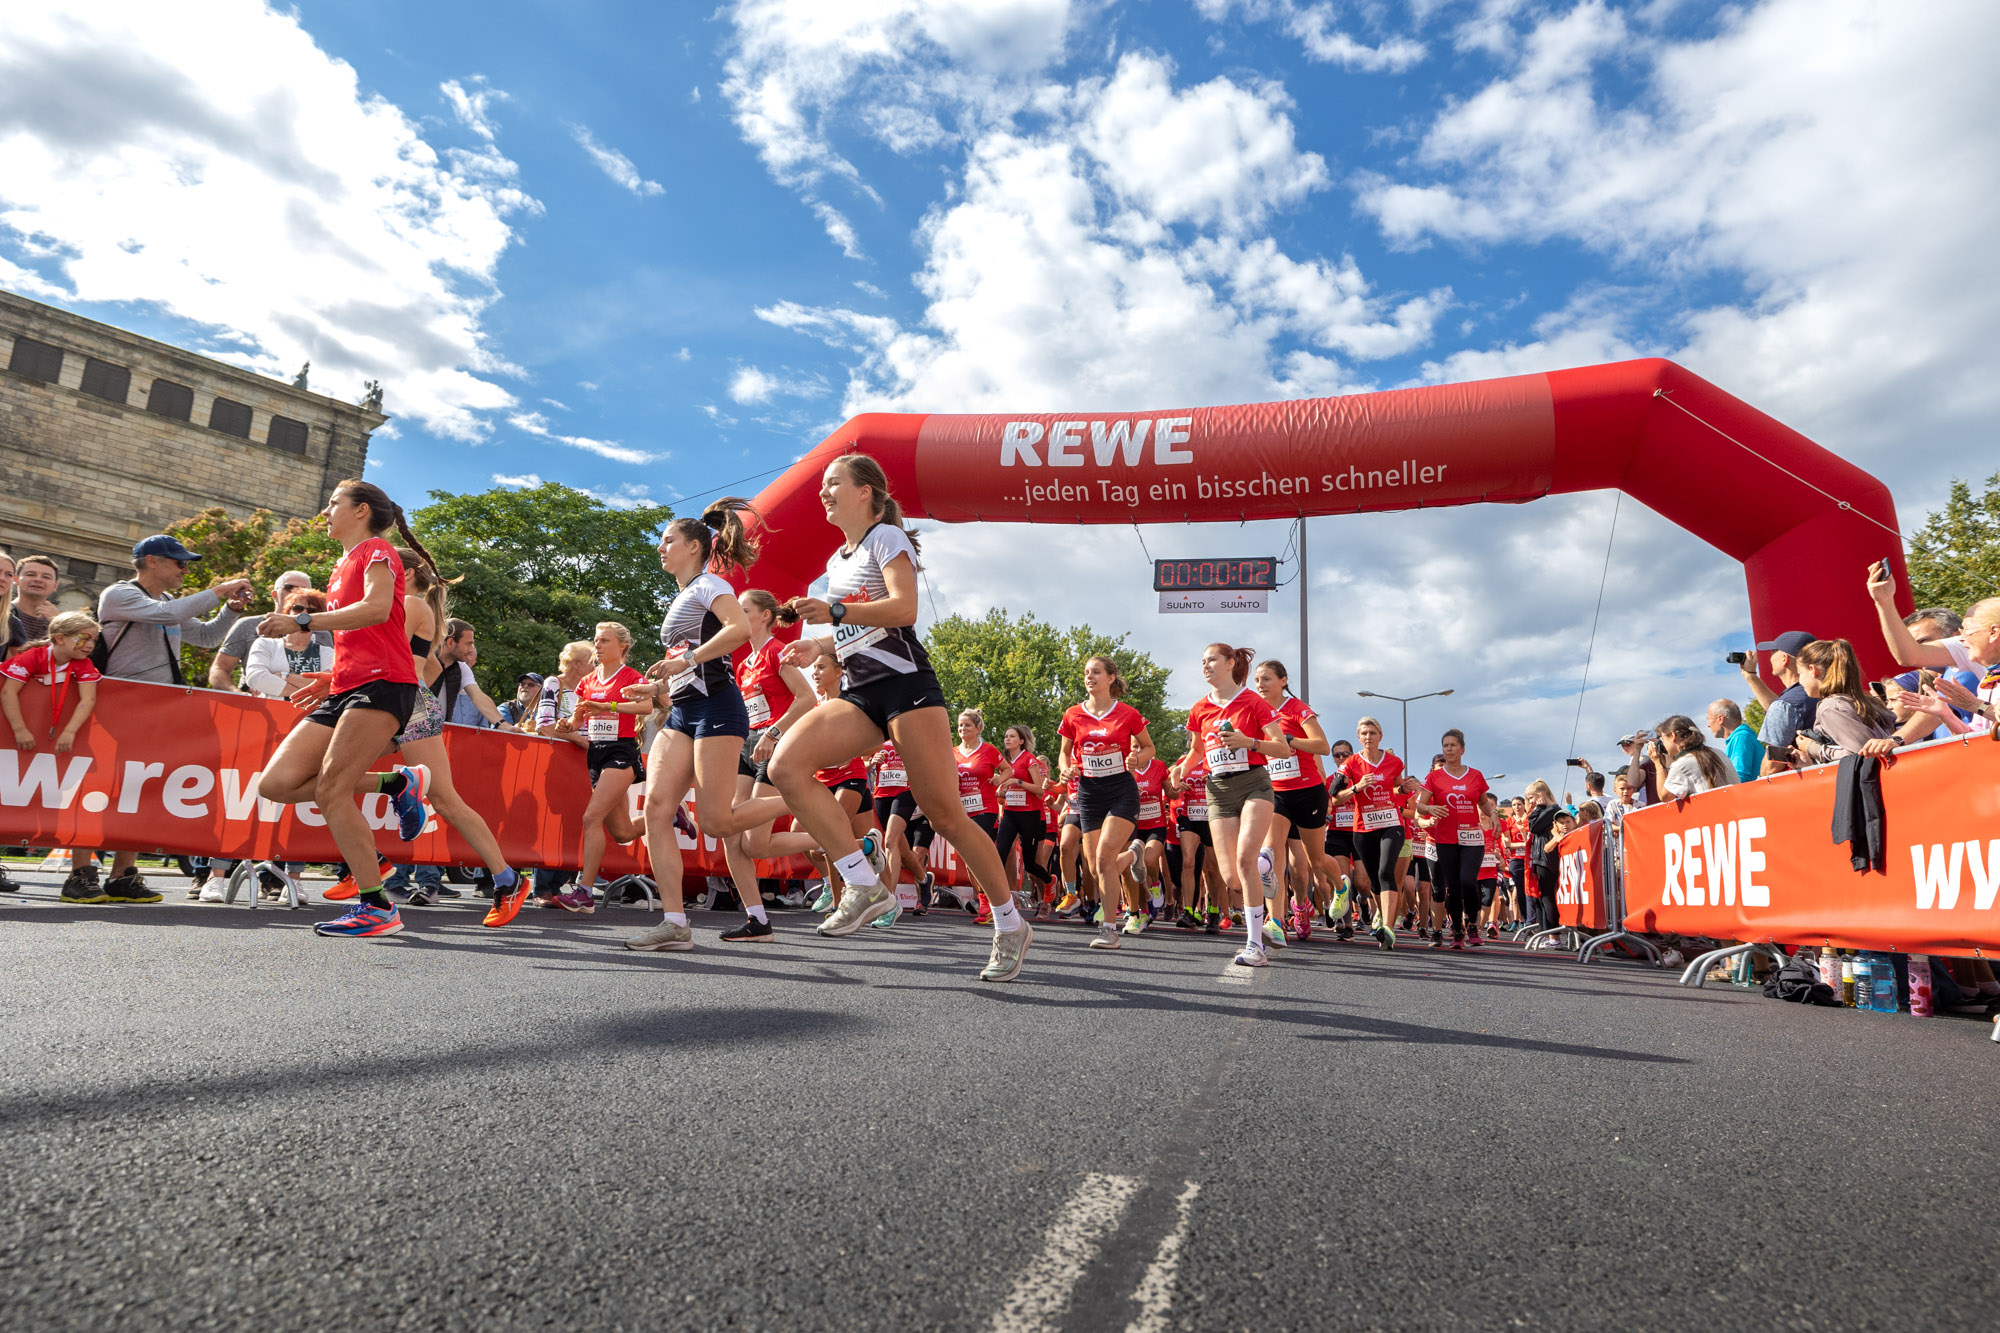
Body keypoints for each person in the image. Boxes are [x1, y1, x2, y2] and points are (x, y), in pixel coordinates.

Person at [763, 454, 1032, 981]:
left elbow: (904, 609)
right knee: (785, 767)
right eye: (822, 486)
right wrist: (820, 645)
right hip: (860, 691)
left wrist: (835, 612)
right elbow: (855, 631)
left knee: (945, 815)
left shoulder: (886, 538)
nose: (823, 492)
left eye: (833, 483)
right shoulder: (836, 562)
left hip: (907, 687)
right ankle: (863, 883)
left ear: (865, 492)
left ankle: (1010, 923)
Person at [251, 481, 433, 938]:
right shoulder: (339, 565)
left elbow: (376, 610)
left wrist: (301, 620)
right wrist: (332, 678)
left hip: (384, 684)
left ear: (361, 510)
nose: (325, 511)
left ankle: (377, 907)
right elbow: (360, 635)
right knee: (276, 784)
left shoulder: (377, 551)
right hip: (345, 687)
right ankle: (396, 783)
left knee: (333, 790)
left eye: (334, 503)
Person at [620, 500, 771, 952]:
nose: (660, 547)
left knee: (717, 821)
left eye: (668, 540)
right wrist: (655, 689)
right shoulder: (683, 595)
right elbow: (687, 667)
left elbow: (738, 630)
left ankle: (808, 801)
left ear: (693, 547)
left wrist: (685, 659)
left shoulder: (710, 584)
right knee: (656, 809)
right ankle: (674, 923)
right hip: (681, 712)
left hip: (718, 708)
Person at [86, 534, 253, 902]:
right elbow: (168, 616)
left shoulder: (168, 603)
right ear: (151, 561)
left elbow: (207, 637)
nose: (184, 569)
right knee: (100, 791)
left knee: (138, 791)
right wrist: (219, 591)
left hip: (157, 710)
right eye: (179, 562)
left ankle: (122, 876)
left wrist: (231, 610)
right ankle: (81, 873)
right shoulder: (120, 594)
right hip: (118, 707)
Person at [1182, 642, 1290, 968]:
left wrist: (1249, 742)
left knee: (1244, 859)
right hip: (1217, 790)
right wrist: (1180, 769)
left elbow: (1282, 748)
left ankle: (1255, 945)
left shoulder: (1252, 701)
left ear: (1230, 663)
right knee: (1231, 879)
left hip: (1253, 783)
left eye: (1212, 660)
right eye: (1202, 661)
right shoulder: (1200, 708)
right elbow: (1197, 751)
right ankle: (1265, 866)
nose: (1205, 666)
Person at [725, 589, 822, 892]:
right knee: (731, 829)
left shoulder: (777, 651)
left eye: (744, 611)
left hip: (774, 743)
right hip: (748, 746)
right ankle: (754, 911)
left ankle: (833, 836)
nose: (737, 617)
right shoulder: (743, 665)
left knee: (755, 844)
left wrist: (773, 733)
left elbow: (807, 698)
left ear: (764, 616)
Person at [1058, 656, 1156, 949]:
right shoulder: (1073, 714)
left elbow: (1149, 747)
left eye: (1096, 672)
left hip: (1120, 790)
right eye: (1086, 673)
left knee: (1103, 858)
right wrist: (1065, 769)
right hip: (1089, 792)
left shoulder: (1127, 713)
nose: (1089, 677)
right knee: (1094, 867)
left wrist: (1137, 759)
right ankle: (1133, 855)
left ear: (1111, 678)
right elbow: (1064, 753)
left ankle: (1109, 930)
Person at [3, 610, 101, 897]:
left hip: (48, 747)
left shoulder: (82, 663)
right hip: (14, 739)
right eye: (84, 638)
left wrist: (69, 732)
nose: (89, 645)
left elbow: (88, 699)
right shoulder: (32, 657)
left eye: (93, 640)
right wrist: (20, 729)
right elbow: (8, 693)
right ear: (59, 638)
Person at [556, 623, 651, 916]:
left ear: (622, 646)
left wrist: (609, 706)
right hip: (596, 752)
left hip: (621, 751)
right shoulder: (588, 680)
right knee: (623, 832)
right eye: (596, 641)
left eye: (604, 641)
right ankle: (670, 814)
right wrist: (567, 725)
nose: (597, 646)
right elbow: (578, 719)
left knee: (591, 817)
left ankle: (584, 892)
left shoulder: (631, 676)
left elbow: (647, 707)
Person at [1251, 658, 1333, 947]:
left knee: (1307, 865)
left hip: (1307, 792)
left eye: (1266, 679)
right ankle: (1275, 922)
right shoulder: (1256, 712)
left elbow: (1322, 746)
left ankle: (1307, 901)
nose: (1260, 684)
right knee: (1272, 856)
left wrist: (1289, 741)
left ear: (1283, 681)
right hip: (1274, 793)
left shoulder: (1297, 709)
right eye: (1257, 680)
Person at [1868, 561, 2000, 731]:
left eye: (1967, 631)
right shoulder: (1987, 680)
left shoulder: (1968, 673)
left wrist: (1975, 705)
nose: (1962, 639)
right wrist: (1884, 602)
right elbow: (1977, 737)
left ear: (1993, 632)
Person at [1412, 728, 1498, 950]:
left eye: (1453, 745)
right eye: (1445, 746)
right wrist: (1430, 808)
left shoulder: (1475, 775)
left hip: (1472, 838)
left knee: (1468, 881)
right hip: (1445, 838)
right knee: (1453, 887)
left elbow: (1483, 802)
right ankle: (1458, 930)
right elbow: (1420, 807)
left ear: (1462, 749)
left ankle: (1473, 925)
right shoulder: (1434, 777)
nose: (1449, 749)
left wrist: (1493, 815)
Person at [1340, 716, 1417, 950]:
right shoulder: (1351, 763)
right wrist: (1357, 787)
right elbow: (1336, 798)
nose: (1368, 737)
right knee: (1374, 880)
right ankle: (1383, 917)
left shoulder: (1394, 761)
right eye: (1364, 733)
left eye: (1373, 733)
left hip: (1391, 823)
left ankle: (1389, 928)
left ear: (1380, 736)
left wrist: (1403, 788)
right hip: (1364, 827)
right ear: (1358, 736)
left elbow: (1396, 788)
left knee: (1386, 872)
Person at [1792, 638, 1929, 762]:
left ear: (1813, 670)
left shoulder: (1831, 707)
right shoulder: (1866, 701)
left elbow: (1861, 754)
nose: (1800, 681)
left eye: (1800, 673)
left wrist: (1813, 748)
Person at [209, 570, 316, 690]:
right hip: (254, 698)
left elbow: (327, 677)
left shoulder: (319, 631)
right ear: (275, 595)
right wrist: (238, 693)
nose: (297, 594)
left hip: (303, 698)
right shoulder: (247, 625)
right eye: (289, 588)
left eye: (303, 590)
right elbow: (219, 669)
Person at [994, 723, 1052, 912]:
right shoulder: (1005, 763)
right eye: (1006, 736)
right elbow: (1005, 789)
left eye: (1012, 736)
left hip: (1030, 815)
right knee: (999, 854)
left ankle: (1050, 882)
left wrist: (1017, 781)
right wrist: (1001, 791)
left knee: (1031, 865)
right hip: (1010, 813)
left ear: (1021, 741)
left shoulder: (1029, 759)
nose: (1007, 739)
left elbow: (1039, 790)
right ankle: (1000, 901)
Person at [243, 588, 334, 699]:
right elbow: (255, 678)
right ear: (287, 612)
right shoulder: (265, 644)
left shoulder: (327, 652)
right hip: (273, 709)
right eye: (297, 608)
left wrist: (283, 676)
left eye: (312, 611)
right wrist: (313, 692)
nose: (304, 614)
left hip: (313, 710)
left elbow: (331, 686)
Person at [1751, 629, 1820, 774]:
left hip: (1806, 783)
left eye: (1773, 652)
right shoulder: (1827, 692)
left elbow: (1772, 766)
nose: (1770, 657)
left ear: (1784, 659)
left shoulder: (1785, 705)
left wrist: (1761, 778)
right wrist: (1750, 676)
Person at [1648, 715, 1736, 798]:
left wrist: (1658, 763)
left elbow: (1664, 796)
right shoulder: (1718, 752)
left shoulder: (1682, 765)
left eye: (1663, 739)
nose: (1663, 744)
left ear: (1673, 736)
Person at [1523, 781, 1564, 931]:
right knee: (1541, 898)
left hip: (1546, 857)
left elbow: (1533, 827)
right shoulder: (1548, 810)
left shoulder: (1552, 810)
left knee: (1547, 896)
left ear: (1541, 794)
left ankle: (1553, 934)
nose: (1530, 802)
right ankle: (1546, 932)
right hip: (1541, 856)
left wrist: (1538, 808)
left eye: (1531, 798)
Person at [1706, 699, 1762, 784]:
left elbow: (1738, 779)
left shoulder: (1741, 738)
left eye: (1709, 719)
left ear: (1720, 719)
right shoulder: (1741, 738)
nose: (1708, 725)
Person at [11, 553, 60, 644]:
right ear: (15, 579)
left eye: (46, 577)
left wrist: (58, 623)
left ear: (55, 586)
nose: (38, 580)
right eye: (31, 574)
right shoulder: (4, 613)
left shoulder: (56, 620)